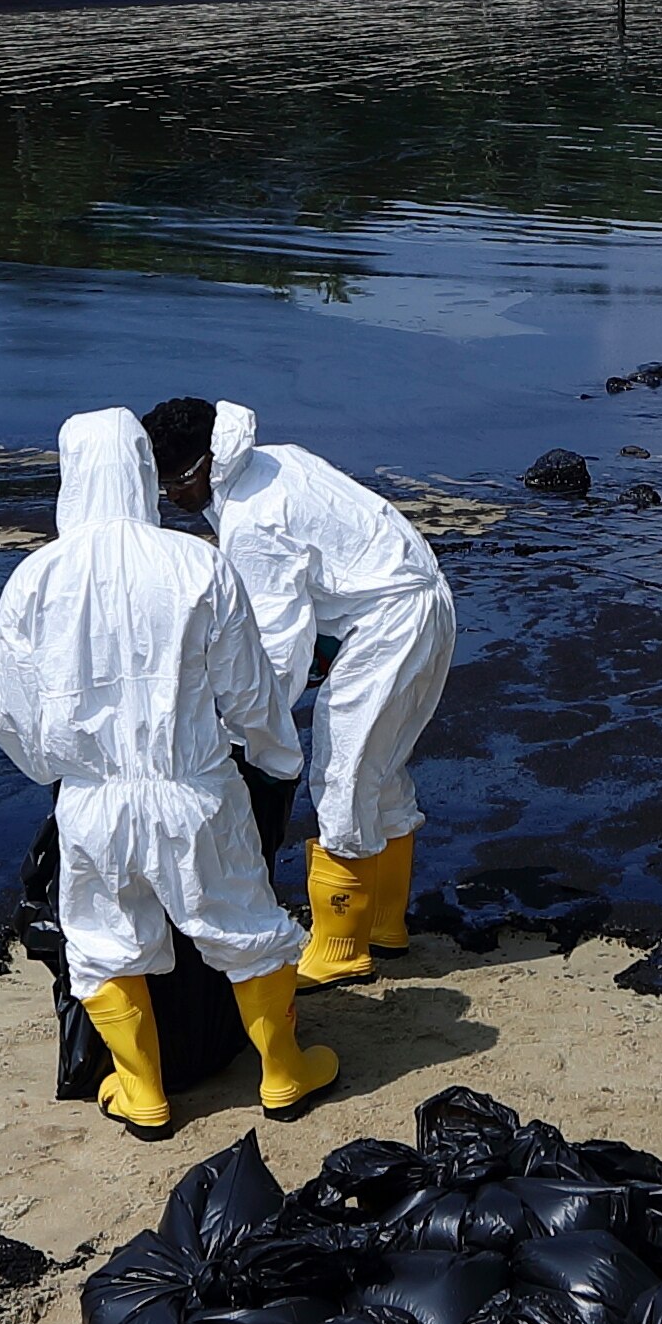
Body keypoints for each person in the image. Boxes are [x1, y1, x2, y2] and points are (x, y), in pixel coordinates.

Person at [0, 409, 339, 1136]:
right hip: (195, 789)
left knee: (103, 940)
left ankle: (143, 1091)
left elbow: (13, 718)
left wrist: (61, 773)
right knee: (244, 925)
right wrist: (276, 760)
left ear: (69, 475)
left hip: (93, 801)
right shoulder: (197, 565)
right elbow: (250, 692)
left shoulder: (33, 580)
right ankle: (282, 1074)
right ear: (145, 473)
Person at [143, 395, 457, 989]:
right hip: (414, 602)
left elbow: (277, 645)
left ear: (208, 462)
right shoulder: (273, 459)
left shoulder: (252, 520)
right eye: (163, 487)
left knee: (343, 775)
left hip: (388, 624)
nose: (174, 499)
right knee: (379, 770)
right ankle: (384, 924)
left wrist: (244, 733)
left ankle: (339, 948)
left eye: (178, 483)